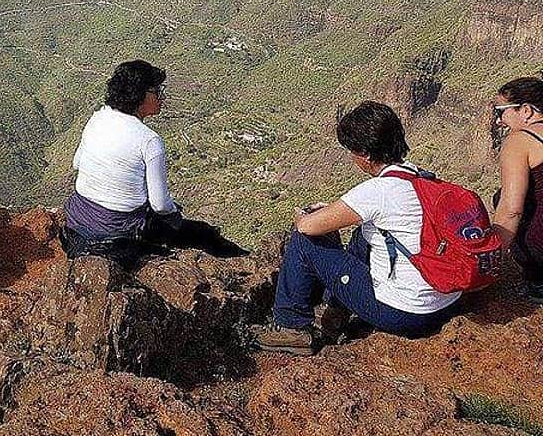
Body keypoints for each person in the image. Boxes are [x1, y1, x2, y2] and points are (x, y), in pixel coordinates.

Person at [257, 101, 462, 355]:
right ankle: (338, 311)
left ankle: (292, 327)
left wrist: (303, 217)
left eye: (352, 150)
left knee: (304, 240)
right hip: (447, 303)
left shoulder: (377, 191)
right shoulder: (422, 177)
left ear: (364, 155)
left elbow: (308, 227)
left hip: (407, 315)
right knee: (364, 234)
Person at [61, 60, 245, 265]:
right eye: (156, 91)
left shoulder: (97, 118)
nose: (161, 96)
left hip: (76, 221)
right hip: (117, 231)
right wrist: (174, 211)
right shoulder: (149, 140)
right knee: (201, 232)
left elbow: (77, 163)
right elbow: (160, 205)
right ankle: (244, 264)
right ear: (140, 94)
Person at [489, 75, 543, 303]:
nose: (499, 121)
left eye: (501, 111)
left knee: (501, 197)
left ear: (527, 111)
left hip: (539, 248)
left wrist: (491, 257)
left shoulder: (520, 140)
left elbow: (511, 209)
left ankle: (537, 282)